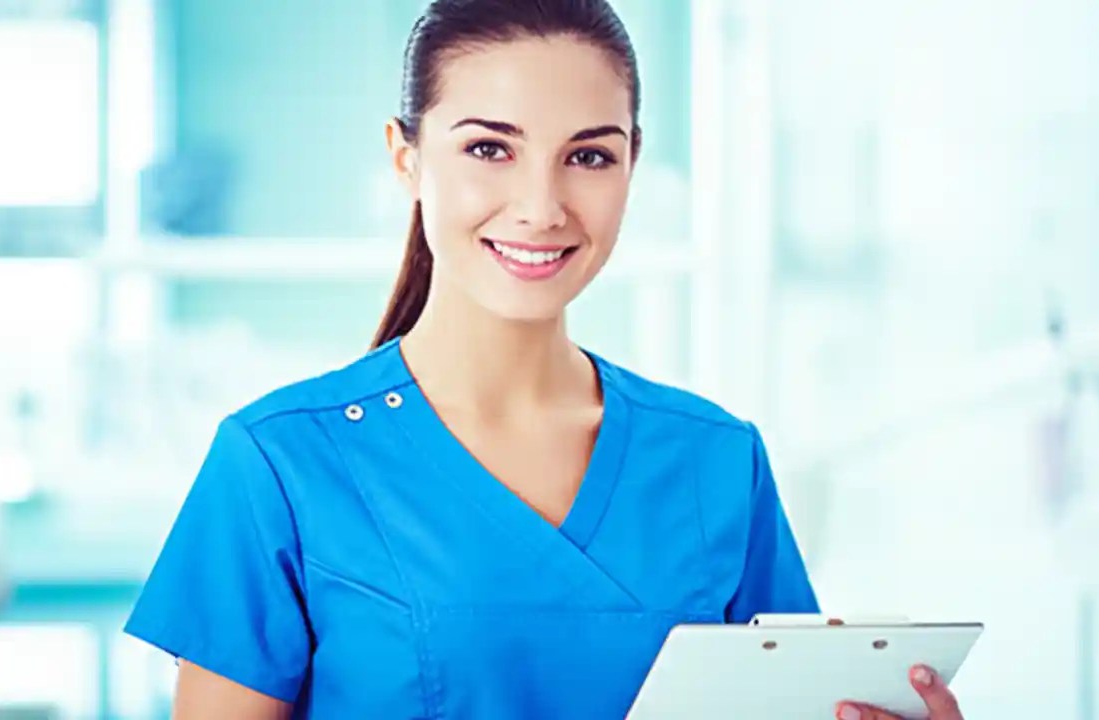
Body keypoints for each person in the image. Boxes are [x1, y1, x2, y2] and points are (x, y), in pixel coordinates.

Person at [123, 1, 965, 718]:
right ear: (406, 157)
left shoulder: (717, 459)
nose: (540, 206)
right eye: (490, 149)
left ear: (632, 161)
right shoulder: (280, 464)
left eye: (588, 155)